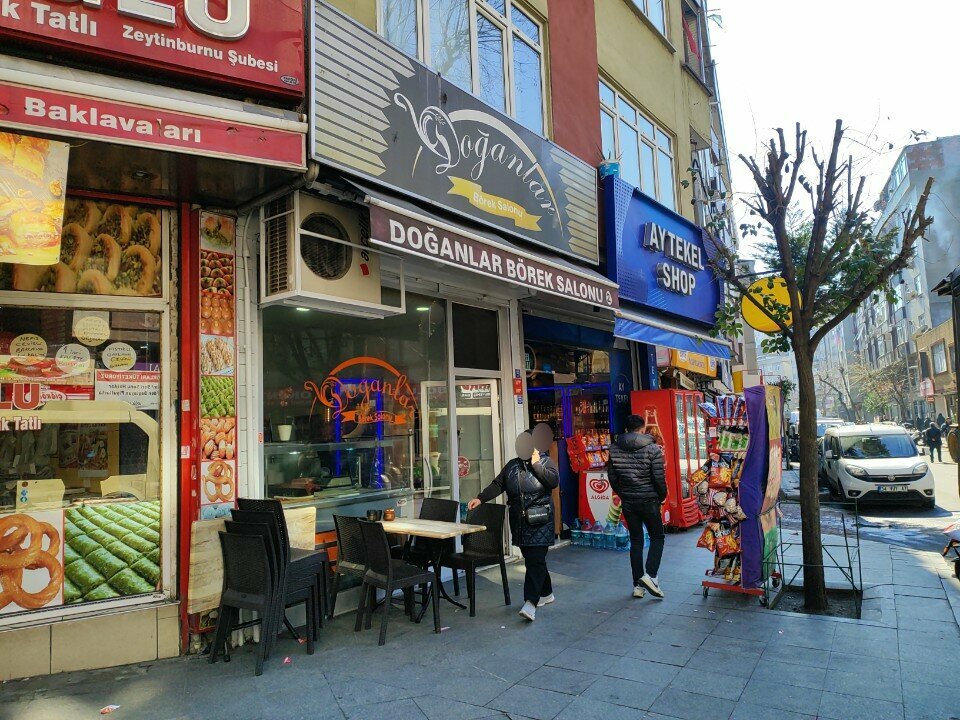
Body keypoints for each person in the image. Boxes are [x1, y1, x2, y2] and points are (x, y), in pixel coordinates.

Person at [467, 431, 559, 622]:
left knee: (535, 559)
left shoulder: (545, 462)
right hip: (520, 522)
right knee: (534, 559)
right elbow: (498, 484)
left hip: (540, 519)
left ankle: (530, 603)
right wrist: (480, 498)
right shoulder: (512, 466)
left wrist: (535, 465)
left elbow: (553, 481)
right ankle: (547, 592)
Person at [607, 414, 667, 599]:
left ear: (626, 430)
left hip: (629, 502)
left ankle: (637, 586)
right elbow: (658, 478)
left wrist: (623, 493)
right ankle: (651, 576)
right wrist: (662, 496)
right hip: (649, 500)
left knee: (636, 541)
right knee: (657, 537)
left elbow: (612, 477)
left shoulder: (614, 448)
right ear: (642, 429)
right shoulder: (653, 449)